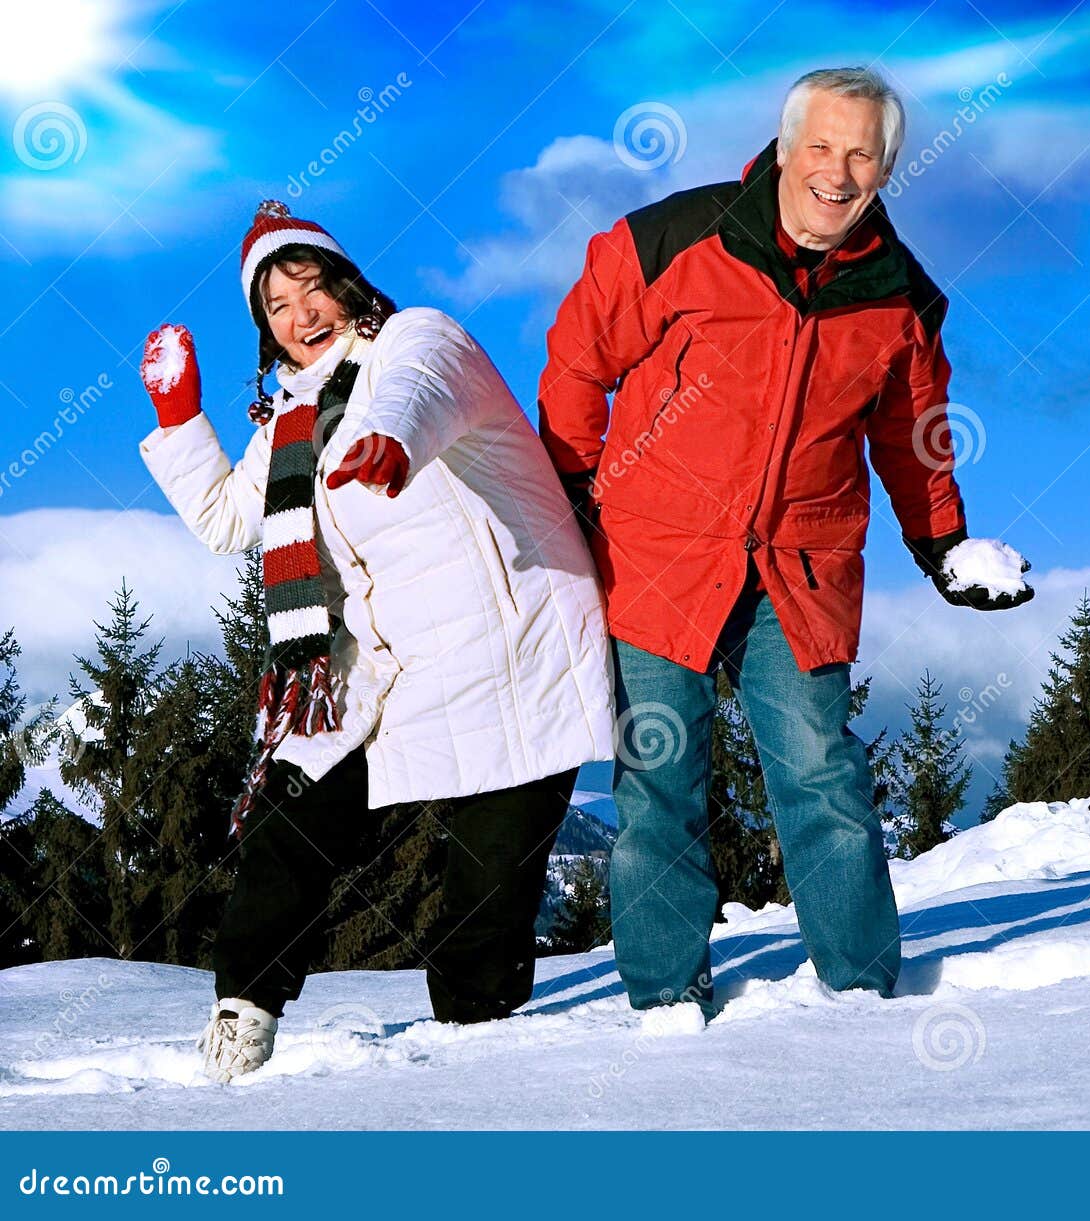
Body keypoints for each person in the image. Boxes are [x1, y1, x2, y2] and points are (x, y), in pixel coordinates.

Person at [538, 67, 1034, 1023]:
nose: (836, 174)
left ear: (887, 168)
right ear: (783, 146)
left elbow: (914, 436)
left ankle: (862, 989)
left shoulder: (899, 296)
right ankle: (663, 999)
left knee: (821, 772)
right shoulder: (675, 239)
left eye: (862, 155)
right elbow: (578, 360)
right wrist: (575, 491)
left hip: (801, 569)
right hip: (658, 557)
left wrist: (943, 544)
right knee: (658, 780)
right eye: (821, 147)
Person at [139, 200, 614, 1082]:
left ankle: (474, 1076)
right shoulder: (289, 422)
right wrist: (178, 422)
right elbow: (227, 519)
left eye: (311, 288)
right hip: (386, 666)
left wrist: (393, 438)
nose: (300, 315)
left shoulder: (417, 338)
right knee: (292, 810)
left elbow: (420, 388)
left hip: (514, 650)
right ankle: (243, 1014)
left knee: (481, 919)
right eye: (277, 306)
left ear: (347, 285)